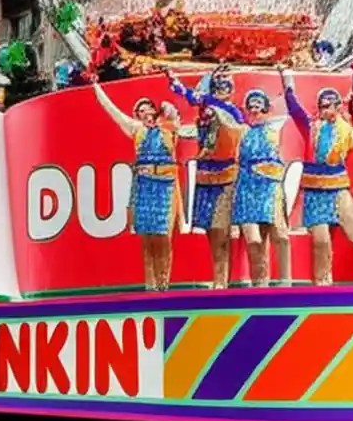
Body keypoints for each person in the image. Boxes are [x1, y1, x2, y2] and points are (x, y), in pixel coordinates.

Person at [281, 70, 353, 285]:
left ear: (337, 107)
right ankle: (323, 282)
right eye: (321, 106)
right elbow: (296, 111)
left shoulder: (347, 131)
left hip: (337, 189)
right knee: (320, 240)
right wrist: (288, 86)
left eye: (328, 106)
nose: (324, 110)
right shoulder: (312, 127)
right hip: (315, 191)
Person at [91, 82, 182, 291]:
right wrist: (97, 88)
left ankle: (164, 282)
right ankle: (150, 284)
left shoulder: (169, 128)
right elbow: (112, 110)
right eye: (140, 111)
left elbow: (172, 111)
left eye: (147, 108)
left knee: (163, 237)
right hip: (144, 186)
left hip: (164, 187)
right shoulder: (136, 130)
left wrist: (162, 114)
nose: (144, 113)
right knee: (148, 237)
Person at [204, 87, 292, 288]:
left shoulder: (274, 130)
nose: (254, 112)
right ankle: (259, 286)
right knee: (254, 242)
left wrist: (286, 83)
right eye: (250, 108)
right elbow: (226, 117)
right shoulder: (242, 131)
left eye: (259, 108)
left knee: (281, 236)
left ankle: (286, 285)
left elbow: (293, 110)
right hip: (247, 187)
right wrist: (211, 98)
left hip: (270, 188)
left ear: (267, 110)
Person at [167, 65, 241, 289]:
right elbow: (188, 95)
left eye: (225, 85)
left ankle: (222, 279)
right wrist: (174, 79)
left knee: (220, 228)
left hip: (225, 174)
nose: (221, 88)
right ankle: (219, 276)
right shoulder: (207, 104)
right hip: (204, 174)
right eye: (217, 84)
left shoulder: (233, 113)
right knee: (210, 229)